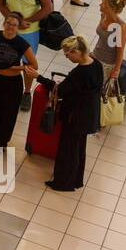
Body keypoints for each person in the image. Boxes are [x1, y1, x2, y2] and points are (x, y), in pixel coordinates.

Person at [47, 35, 104, 192]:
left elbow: (62, 89)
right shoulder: (96, 64)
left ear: (77, 51)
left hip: (74, 116)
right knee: (79, 149)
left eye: (68, 54)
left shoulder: (79, 72)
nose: (67, 57)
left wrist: (38, 77)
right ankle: (76, 179)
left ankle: (63, 182)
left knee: (68, 149)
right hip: (89, 114)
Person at [0, 13, 38, 147]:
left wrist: (17, 68)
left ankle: (2, 140)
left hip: (12, 84)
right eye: (8, 23)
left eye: (14, 25)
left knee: (8, 113)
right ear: (4, 23)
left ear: (18, 28)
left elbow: (34, 65)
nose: (10, 27)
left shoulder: (21, 43)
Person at [92, 0, 126, 97]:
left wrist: (116, 70)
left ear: (110, 8)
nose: (100, 4)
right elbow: (101, 37)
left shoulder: (120, 27)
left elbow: (120, 51)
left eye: (103, 3)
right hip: (95, 57)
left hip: (107, 64)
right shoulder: (103, 16)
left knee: (100, 91)